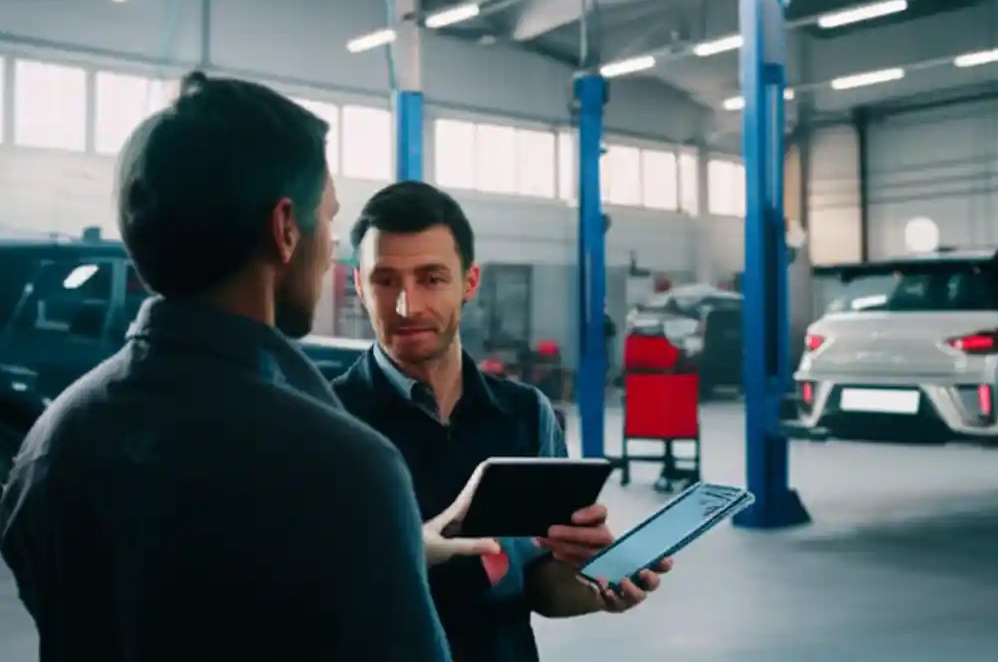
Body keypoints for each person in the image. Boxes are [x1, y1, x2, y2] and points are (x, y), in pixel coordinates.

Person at [0, 73, 484, 661]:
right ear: (285, 229)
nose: (330, 250)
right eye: (328, 219)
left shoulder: (53, 445)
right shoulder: (345, 470)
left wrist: (397, 542)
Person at [332, 181, 673, 661]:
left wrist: (596, 586)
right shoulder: (326, 421)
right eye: (385, 281)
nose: (408, 306)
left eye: (432, 279)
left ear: (469, 282)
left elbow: (540, 586)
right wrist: (408, 553)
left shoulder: (527, 415)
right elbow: (305, 594)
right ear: (360, 287)